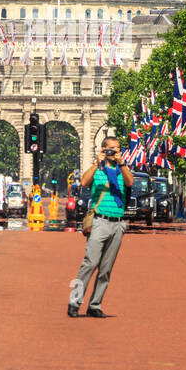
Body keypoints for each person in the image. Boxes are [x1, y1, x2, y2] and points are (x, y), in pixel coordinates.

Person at [68, 136, 133, 318]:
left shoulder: (122, 170)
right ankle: (74, 301)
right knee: (90, 263)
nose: (115, 152)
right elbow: (84, 182)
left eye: (117, 149)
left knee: (106, 268)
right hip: (100, 222)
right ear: (103, 149)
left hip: (118, 223)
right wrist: (97, 163)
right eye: (111, 149)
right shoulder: (98, 170)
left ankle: (95, 305)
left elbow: (130, 182)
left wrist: (121, 163)